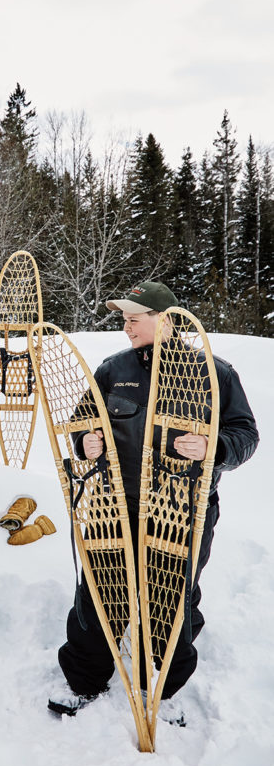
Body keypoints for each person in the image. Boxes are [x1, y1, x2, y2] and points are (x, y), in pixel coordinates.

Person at [49, 281, 259, 719]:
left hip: (181, 505)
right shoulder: (113, 369)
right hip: (114, 501)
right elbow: (81, 423)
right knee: (99, 591)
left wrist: (214, 448)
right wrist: (85, 440)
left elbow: (245, 434)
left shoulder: (214, 373)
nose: (126, 328)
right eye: (124, 320)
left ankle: (161, 686)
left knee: (172, 596)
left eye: (134, 320)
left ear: (165, 319)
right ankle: (85, 680)